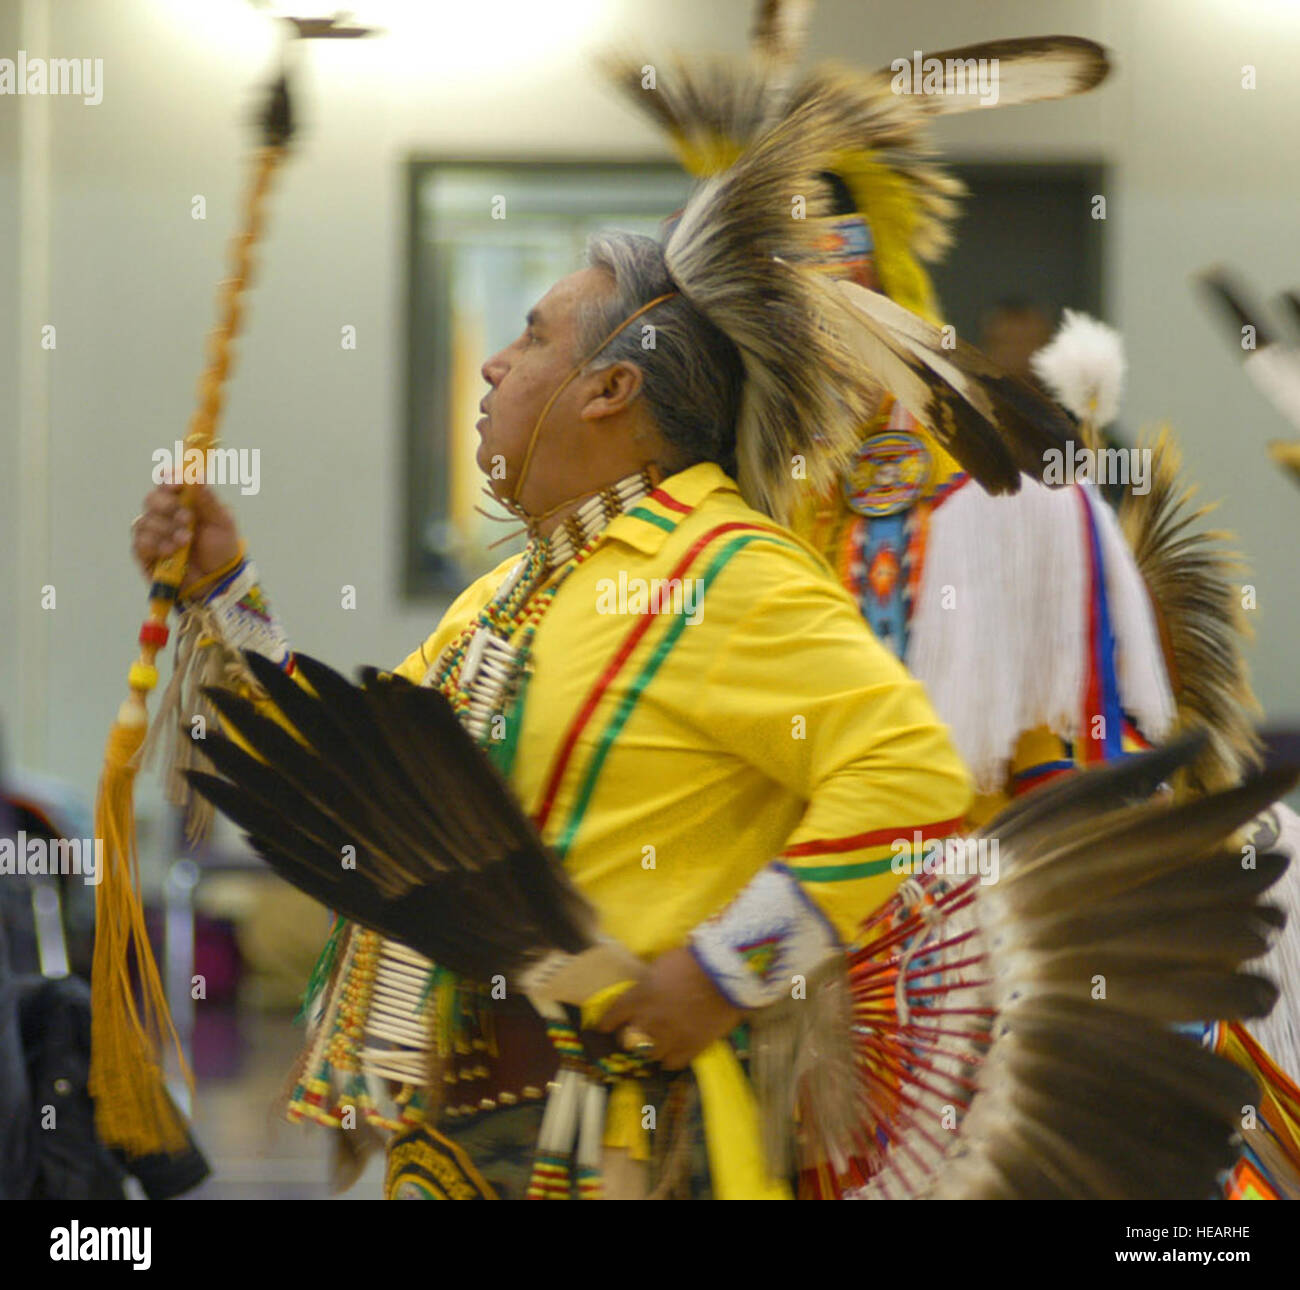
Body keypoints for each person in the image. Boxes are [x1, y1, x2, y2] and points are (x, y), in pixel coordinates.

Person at [130, 104, 975, 1198]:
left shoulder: (725, 573)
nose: (490, 369)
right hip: (467, 1134)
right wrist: (222, 591)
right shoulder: (513, 590)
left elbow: (911, 779)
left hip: (623, 1144)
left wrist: (726, 970)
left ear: (611, 388)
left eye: (530, 338)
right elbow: (365, 786)